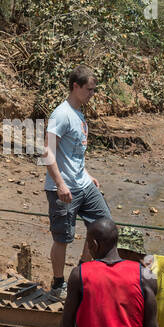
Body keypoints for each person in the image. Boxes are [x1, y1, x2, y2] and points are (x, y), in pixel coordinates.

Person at [43, 65, 113, 299]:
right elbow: (48, 152)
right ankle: (58, 285)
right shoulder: (61, 115)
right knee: (62, 237)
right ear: (75, 86)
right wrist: (61, 184)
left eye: (94, 90)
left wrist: (87, 173)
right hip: (63, 189)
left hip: (83, 184)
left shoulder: (79, 113)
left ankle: (82, 272)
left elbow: (72, 154)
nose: (92, 94)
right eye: (89, 90)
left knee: (104, 226)